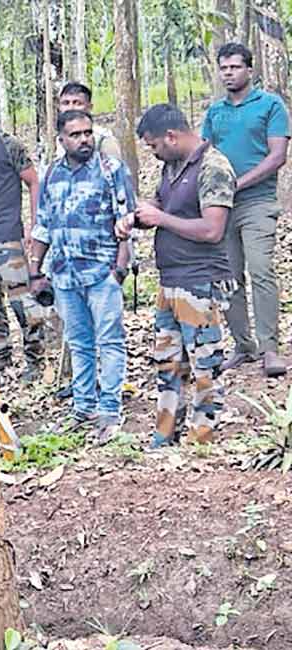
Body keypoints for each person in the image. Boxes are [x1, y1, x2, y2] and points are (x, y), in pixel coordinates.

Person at [118, 103, 237, 448]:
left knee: (204, 366)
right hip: (170, 281)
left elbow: (212, 229)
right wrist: (134, 219)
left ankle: (203, 437)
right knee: (168, 364)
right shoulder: (172, 167)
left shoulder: (214, 167)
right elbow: (158, 206)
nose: (153, 152)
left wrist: (161, 219)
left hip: (201, 280)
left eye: (154, 145)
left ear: (171, 136)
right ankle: (165, 433)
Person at [29, 110, 134, 442]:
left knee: (110, 341)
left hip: (101, 271)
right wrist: (35, 270)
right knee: (79, 343)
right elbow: (43, 224)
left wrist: (119, 268)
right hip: (64, 275)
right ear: (62, 140)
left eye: (87, 133)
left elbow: (128, 220)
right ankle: (83, 406)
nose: (84, 139)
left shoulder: (110, 169)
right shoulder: (52, 174)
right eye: (75, 135)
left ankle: (110, 411)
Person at [202, 42, 289, 377]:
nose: (229, 73)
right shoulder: (215, 112)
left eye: (235, 67)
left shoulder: (270, 105)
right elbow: (205, 153)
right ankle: (243, 345)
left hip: (258, 202)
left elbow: (277, 156)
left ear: (249, 70)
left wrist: (238, 183)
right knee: (227, 276)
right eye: (223, 68)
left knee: (261, 269)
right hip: (222, 208)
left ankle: (270, 349)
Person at [0, 89, 46, 383]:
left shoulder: (7, 145)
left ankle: (36, 360)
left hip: (8, 236)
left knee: (23, 303)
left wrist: (34, 225)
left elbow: (33, 181)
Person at [55, 82, 123, 160]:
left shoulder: (103, 140)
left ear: (89, 107)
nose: (71, 108)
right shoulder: (60, 138)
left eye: (77, 103)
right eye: (66, 103)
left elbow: (116, 170)